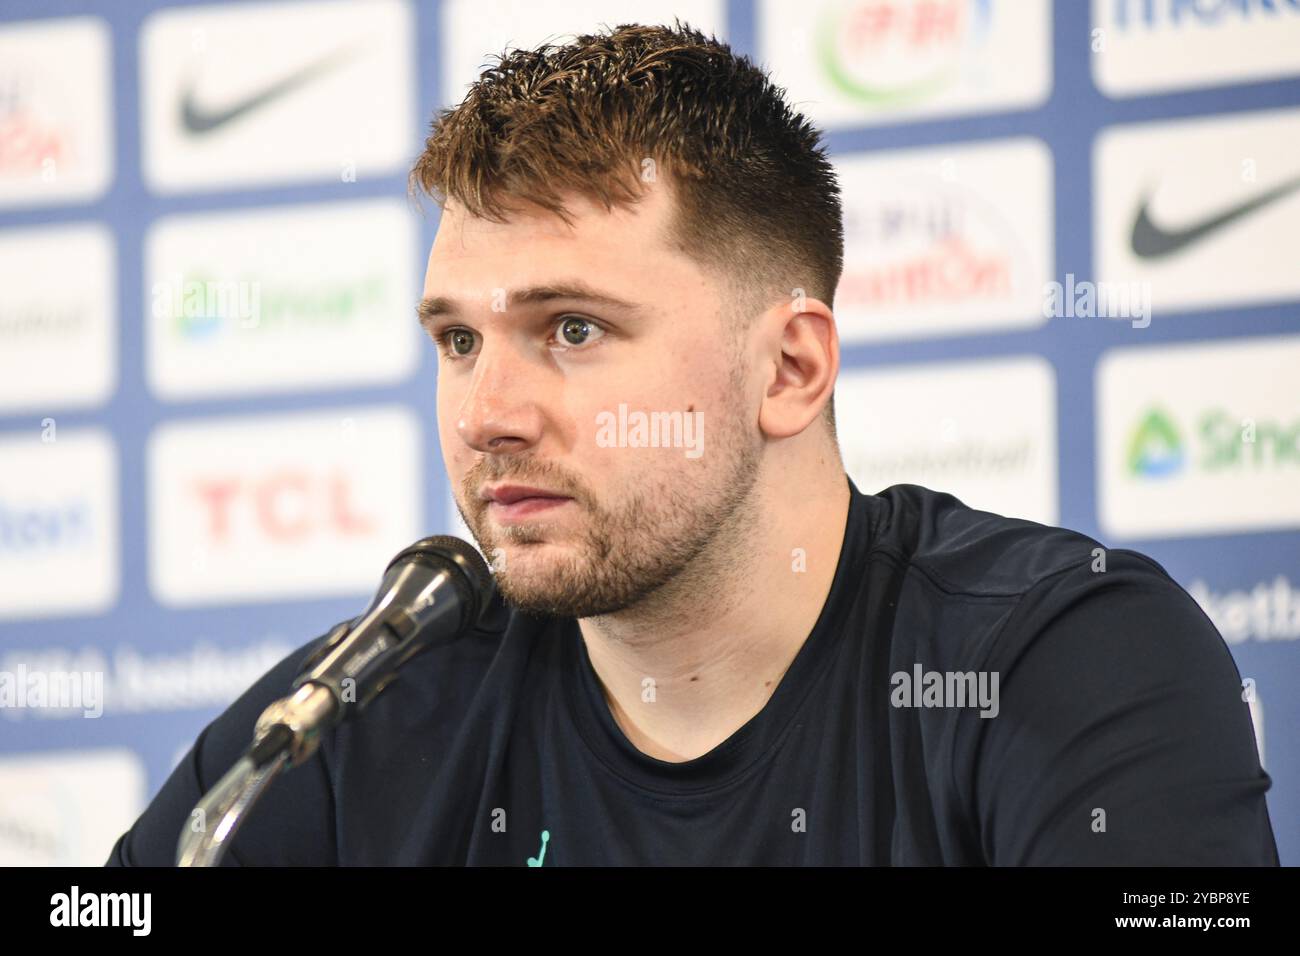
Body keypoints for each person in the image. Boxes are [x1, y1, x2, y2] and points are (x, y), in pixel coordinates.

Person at [107, 21, 1278, 866]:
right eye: (458, 340)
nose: (484, 413)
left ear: (789, 368)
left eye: (571, 328)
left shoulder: (1062, 658)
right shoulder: (368, 711)